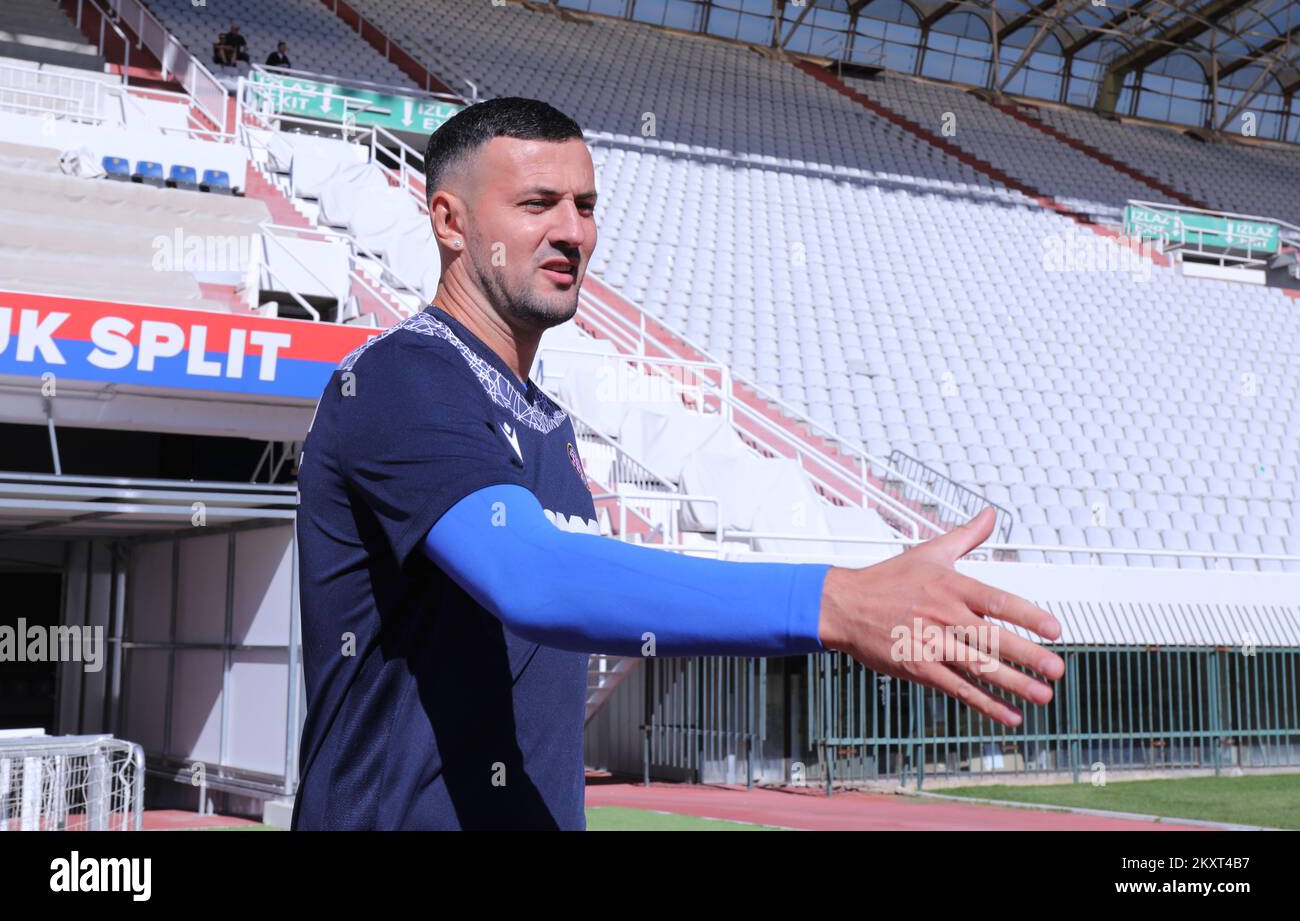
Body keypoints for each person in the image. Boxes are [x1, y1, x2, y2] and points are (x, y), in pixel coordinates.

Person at [291, 97, 1065, 830]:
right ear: (450, 221)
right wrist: (832, 602)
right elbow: (535, 579)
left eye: (586, 206)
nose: (573, 232)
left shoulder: (548, 423)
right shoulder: (401, 379)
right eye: (537, 204)